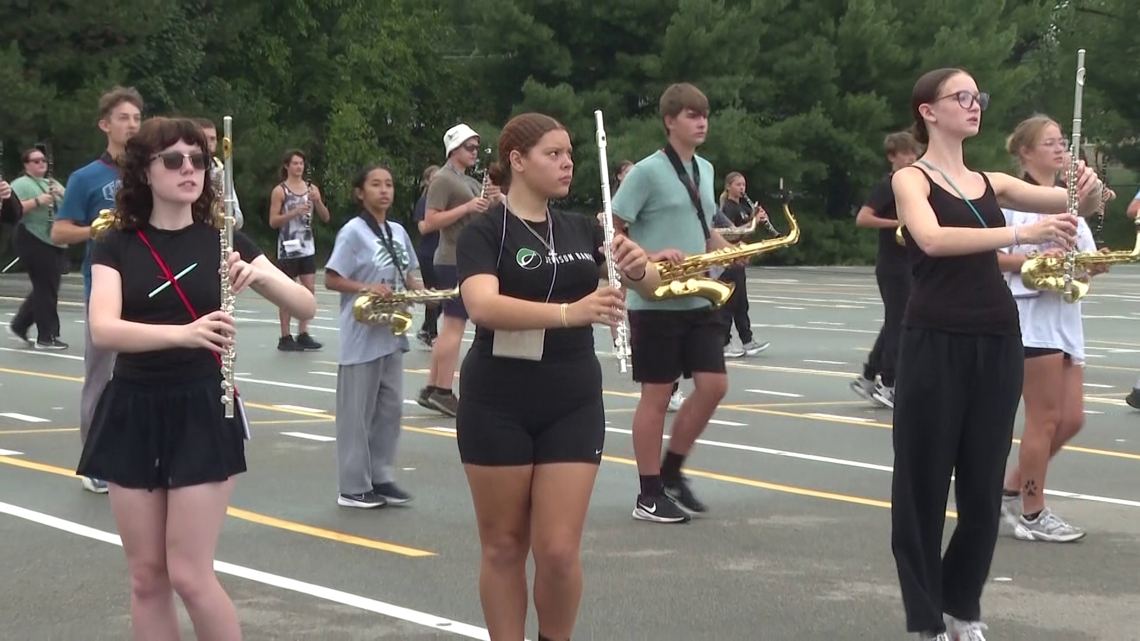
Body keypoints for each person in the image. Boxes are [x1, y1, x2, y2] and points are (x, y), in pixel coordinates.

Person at [77, 116, 315, 640]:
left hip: (202, 407)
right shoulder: (116, 243)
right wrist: (185, 334)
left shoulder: (224, 239)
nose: (190, 169)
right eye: (173, 160)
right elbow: (105, 328)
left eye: (199, 161)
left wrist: (260, 278)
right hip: (133, 406)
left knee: (189, 573)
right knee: (146, 577)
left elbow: (307, 305)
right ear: (144, 170)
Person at [890, 67, 1100, 641]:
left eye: (978, 96)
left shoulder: (993, 181)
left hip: (997, 339)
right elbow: (932, 239)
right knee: (923, 485)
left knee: (982, 491)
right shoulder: (913, 178)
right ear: (929, 111)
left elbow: (1071, 199)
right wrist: (1021, 235)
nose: (974, 104)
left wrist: (1086, 182)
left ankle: (963, 608)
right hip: (935, 339)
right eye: (962, 97)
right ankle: (925, 619)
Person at [455, 112, 656, 641]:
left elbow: (652, 286)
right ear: (517, 161)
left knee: (559, 551)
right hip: (496, 399)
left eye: (570, 153)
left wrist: (637, 265)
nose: (567, 163)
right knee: (503, 545)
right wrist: (572, 312)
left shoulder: (585, 228)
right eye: (553, 154)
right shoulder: (485, 231)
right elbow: (482, 306)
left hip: (571, 397)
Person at [612, 82, 738, 524]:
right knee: (657, 395)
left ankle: (672, 472)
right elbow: (612, 232)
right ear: (669, 121)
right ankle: (649, 495)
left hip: (697, 296)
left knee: (714, 385)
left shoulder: (704, 168)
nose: (701, 121)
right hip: (656, 298)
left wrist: (729, 250)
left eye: (704, 114)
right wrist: (650, 254)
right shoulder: (646, 172)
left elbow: (702, 228)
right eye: (690, 114)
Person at [996, 115, 1098, 543]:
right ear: (1025, 151)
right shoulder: (1005, 201)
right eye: (1050, 143)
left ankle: (1008, 489)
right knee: (1044, 418)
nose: (1060, 150)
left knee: (1071, 419)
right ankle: (1033, 512)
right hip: (1030, 318)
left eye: (1062, 143)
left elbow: (1086, 261)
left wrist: (1094, 263)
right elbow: (989, 255)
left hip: (1064, 319)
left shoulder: (1068, 202)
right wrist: (1034, 261)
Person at [50, 85, 143, 494]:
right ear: (105, 124)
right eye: (124, 118)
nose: (132, 125)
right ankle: (95, 460)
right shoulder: (86, 177)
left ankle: (136, 451)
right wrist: (95, 229)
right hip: (104, 289)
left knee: (142, 375)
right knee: (101, 377)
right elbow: (59, 231)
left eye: (138, 118)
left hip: (148, 288)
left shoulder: (150, 172)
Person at [324, 164, 420, 509]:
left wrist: (419, 292)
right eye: (376, 184)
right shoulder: (352, 232)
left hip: (391, 334)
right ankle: (352, 487)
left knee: (390, 410)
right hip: (361, 335)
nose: (384, 190)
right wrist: (367, 287)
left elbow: (410, 272)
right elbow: (332, 279)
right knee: (356, 415)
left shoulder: (397, 230)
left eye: (389, 184)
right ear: (360, 193)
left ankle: (381, 477)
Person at [417, 124, 499, 417]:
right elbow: (428, 223)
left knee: (451, 324)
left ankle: (432, 387)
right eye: (470, 148)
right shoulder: (443, 179)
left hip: (462, 256)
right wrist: (466, 209)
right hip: (452, 257)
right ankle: (442, 389)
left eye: (476, 147)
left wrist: (493, 200)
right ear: (454, 149)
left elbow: (484, 210)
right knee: (454, 324)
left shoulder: (466, 180)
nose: (475, 152)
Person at [851, 131, 923, 408]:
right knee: (899, 323)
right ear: (892, 157)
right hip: (893, 264)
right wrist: (896, 224)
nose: (911, 158)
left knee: (897, 320)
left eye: (914, 154)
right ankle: (890, 382)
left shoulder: (912, 186)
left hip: (910, 262)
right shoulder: (888, 185)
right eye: (905, 154)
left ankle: (869, 376)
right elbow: (863, 218)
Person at [268, 149, 329, 351]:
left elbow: (326, 217)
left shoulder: (311, 189)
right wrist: (294, 212)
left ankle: (303, 331)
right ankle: (285, 336)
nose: (298, 167)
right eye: (295, 163)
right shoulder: (280, 191)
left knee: (308, 290)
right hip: (288, 247)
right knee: (287, 292)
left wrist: (318, 200)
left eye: (301, 163)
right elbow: (273, 221)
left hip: (307, 246)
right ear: (287, 166)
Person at [9, 145, 67, 349]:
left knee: (47, 287)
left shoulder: (51, 183)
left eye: (43, 160)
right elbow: (12, 209)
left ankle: (20, 324)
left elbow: (70, 205)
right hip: (32, 237)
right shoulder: (21, 184)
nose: (41, 163)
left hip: (54, 238)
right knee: (46, 288)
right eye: (36, 161)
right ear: (26, 165)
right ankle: (47, 335)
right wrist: (37, 201)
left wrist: (62, 193)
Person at [716, 171, 769, 358]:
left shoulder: (741, 207)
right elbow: (733, 233)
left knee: (741, 304)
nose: (742, 189)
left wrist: (755, 217)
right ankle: (724, 343)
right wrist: (753, 222)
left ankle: (747, 341)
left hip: (739, 261)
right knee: (729, 305)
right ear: (729, 186)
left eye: (744, 185)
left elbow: (745, 229)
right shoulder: (728, 209)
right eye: (738, 185)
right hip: (730, 263)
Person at [194, 117, 245, 231]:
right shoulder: (186, 171)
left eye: (213, 139)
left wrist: (227, 209)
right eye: (205, 138)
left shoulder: (220, 172)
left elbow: (239, 220)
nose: (209, 143)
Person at [413, 164, 441, 348]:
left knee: (444, 295)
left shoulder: (442, 200)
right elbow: (423, 228)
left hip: (443, 253)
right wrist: (441, 220)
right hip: (428, 252)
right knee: (433, 293)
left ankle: (425, 328)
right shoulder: (425, 201)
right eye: (434, 177)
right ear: (427, 180)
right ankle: (431, 333)